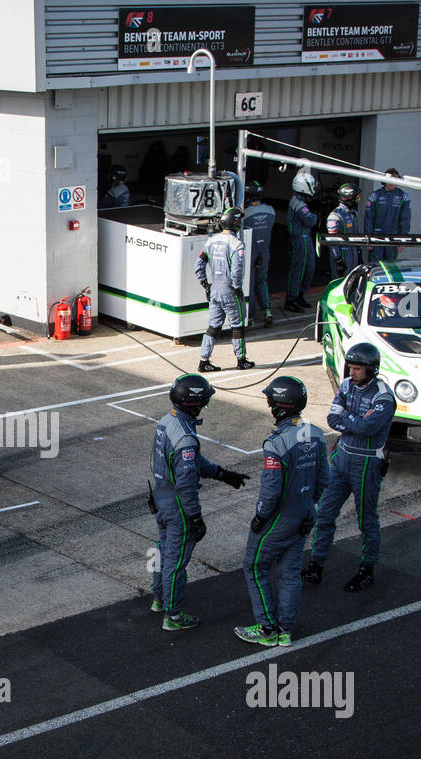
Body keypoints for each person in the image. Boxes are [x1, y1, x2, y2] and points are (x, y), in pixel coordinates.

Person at [150, 374, 248, 631]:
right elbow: (185, 483)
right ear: (193, 402)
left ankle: (159, 598)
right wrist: (195, 518)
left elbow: (180, 464)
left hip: (160, 498)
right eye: (203, 401)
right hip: (177, 507)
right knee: (176, 561)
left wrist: (222, 474)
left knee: (163, 550)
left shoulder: (166, 422)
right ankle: (173, 616)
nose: (205, 405)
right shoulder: (186, 439)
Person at [236, 376, 328, 647]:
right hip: (304, 515)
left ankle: (266, 628)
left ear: (277, 405)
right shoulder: (317, 433)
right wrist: (310, 510)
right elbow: (324, 479)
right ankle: (285, 630)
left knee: (254, 566)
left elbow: (271, 490)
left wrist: (260, 517)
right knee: (289, 572)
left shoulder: (275, 443)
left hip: (279, 518)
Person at [302, 342, 395, 592]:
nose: (351, 373)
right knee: (324, 513)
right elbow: (332, 419)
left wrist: (347, 419)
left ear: (371, 369)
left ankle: (367, 569)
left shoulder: (384, 396)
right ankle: (316, 564)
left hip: (367, 463)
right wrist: (352, 420)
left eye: (357, 369)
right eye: (350, 368)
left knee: (366, 519)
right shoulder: (345, 386)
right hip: (341, 459)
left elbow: (368, 429)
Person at [195, 207, 255, 372]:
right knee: (237, 326)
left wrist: (206, 284)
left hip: (214, 289)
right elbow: (237, 270)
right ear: (235, 223)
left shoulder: (211, 241)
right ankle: (241, 360)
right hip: (229, 291)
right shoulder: (237, 244)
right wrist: (237, 287)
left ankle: (203, 361)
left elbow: (198, 265)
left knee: (213, 327)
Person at [285, 167, 319, 312]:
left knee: (309, 268)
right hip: (300, 239)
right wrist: (317, 216)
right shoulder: (298, 203)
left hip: (306, 237)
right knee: (298, 269)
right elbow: (311, 220)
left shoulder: (301, 200)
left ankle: (300, 295)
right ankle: (291, 300)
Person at [242, 182, 276, 327]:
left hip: (251, 250)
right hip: (265, 249)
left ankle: (250, 317)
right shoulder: (271, 211)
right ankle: (267, 311)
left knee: (249, 282)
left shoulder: (245, 213)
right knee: (262, 281)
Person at [363, 168, 411, 262]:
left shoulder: (403, 196)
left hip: (394, 237)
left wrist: (402, 240)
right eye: (389, 179)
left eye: (395, 179)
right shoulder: (374, 196)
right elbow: (369, 219)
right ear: (384, 180)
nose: (392, 182)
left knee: (391, 265)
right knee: (375, 264)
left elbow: (405, 220)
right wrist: (368, 238)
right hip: (376, 237)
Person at [325, 183, 361, 278]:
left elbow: (356, 234)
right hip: (343, 256)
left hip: (353, 254)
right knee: (339, 285)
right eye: (357, 197)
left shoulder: (354, 213)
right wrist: (338, 260)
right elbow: (332, 241)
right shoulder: (335, 216)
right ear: (349, 197)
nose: (358, 199)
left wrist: (359, 251)